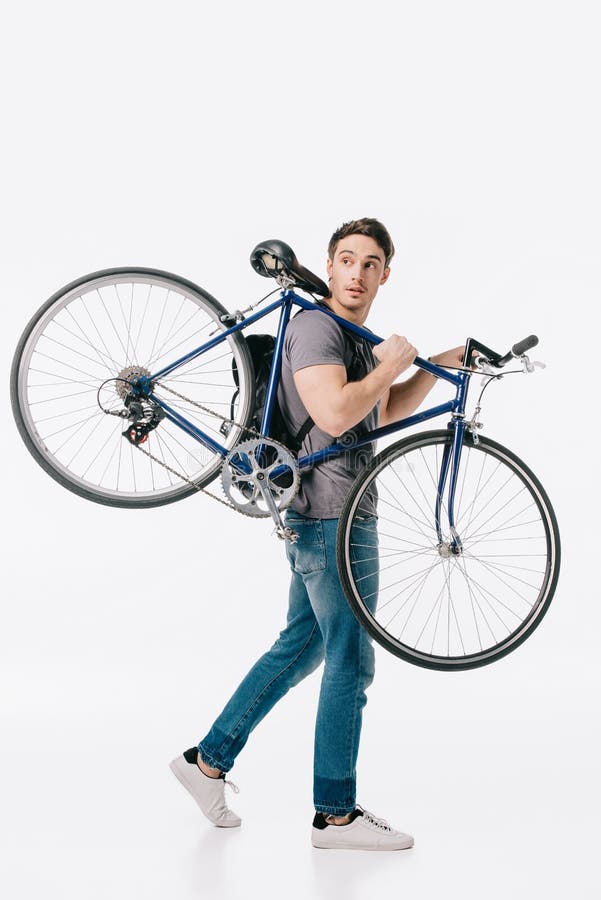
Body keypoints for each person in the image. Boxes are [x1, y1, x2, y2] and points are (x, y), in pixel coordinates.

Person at [170, 218, 465, 850]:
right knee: (350, 660)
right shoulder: (314, 327)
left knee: (303, 647)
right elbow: (333, 414)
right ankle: (335, 815)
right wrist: (387, 364)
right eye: (347, 260)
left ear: (385, 274)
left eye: (370, 263)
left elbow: (380, 410)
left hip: (337, 512)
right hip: (332, 515)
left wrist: (434, 366)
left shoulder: (352, 338)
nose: (357, 273)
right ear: (329, 266)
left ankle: (207, 761)